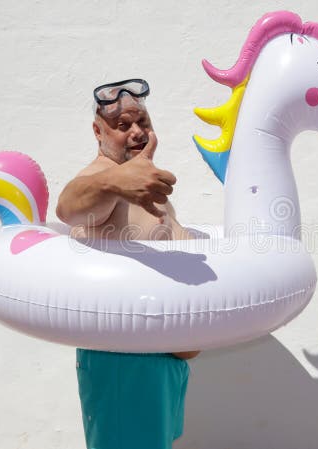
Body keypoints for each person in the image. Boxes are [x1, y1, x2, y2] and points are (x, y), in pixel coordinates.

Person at [56, 78, 200, 449]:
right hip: (124, 365)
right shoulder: (99, 180)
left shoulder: (142, 181)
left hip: (162, 363)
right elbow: (69, 206)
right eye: (122, 126)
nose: (136, 132)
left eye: (143, 123)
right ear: (98, 131)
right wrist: (113, 182)